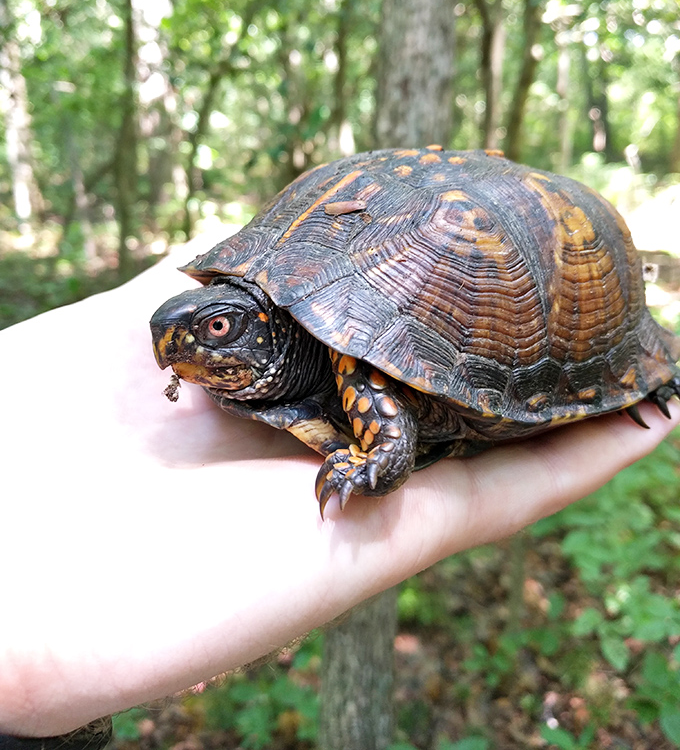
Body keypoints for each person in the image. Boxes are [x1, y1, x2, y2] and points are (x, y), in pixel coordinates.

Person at [1, 236, 677, 740]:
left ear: (268, 329)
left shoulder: (349, 354)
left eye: (216, 330)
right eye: (176, 336)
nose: (185, 346)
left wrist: (380, 449)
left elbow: (358, 365)